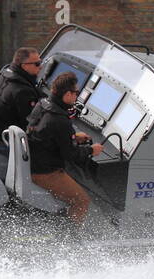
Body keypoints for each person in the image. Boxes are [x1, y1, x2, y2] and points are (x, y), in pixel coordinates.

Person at [26, 71, 103, 226]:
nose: (77, 97)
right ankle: (70, 240)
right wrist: (91, 150)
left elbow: (47, 133)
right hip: (46, 172)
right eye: (76, 93)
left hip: (35, 162)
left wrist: (73, 137)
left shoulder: (43, 104)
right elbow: (71, 155)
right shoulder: (60, 120)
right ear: (67, 94)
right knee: (81, 201)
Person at [0, 47, 42, 131]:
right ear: (24, 66)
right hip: (12, 136)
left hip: (0, 128)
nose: (41, 67)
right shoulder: (23, 90)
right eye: (37, 64)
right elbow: (31, 123)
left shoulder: (6, 74)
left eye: (40, 62)